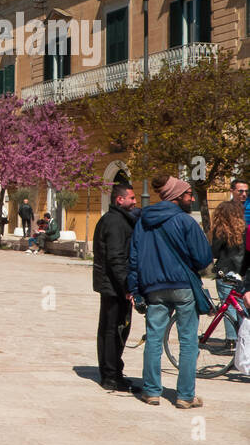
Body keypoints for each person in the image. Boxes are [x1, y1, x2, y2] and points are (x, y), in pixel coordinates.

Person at [127, 175, 213, 409]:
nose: (191, 198)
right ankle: (185, 396)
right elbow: (204, 258)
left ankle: (151, 392)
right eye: (188, 194)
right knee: (188, 342)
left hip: (153, 288)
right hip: (183, 287)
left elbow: (133, 257)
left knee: (154, 339)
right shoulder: (186, 222)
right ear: (176, 196)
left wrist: (134, 289)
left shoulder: (144, 221)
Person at [92, 182, 139, 393]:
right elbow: (116, 258)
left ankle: (114, 372)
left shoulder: (118, 220)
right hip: (113, 287)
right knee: (113, 330)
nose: (135, 201)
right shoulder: (115, 223)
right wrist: (127, 286)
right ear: (120, 199)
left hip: (113, 285)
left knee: (115, 329)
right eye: (132, 198)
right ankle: (110, 376)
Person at [208, 199, 246, 346]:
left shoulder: (221, 231)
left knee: (227, 305)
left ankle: (231, 339)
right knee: (242, 306)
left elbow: (215, 252)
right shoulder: (244, 231)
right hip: (240, 272)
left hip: (225, 271)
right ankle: (244, 338)